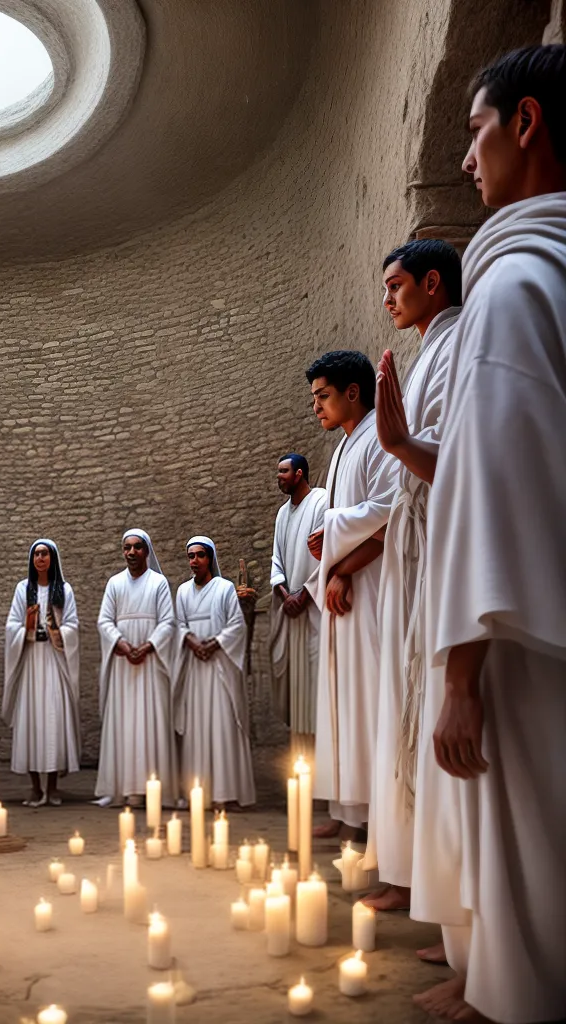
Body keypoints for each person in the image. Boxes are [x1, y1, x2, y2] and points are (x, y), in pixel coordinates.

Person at [411, 45, 566, 1024]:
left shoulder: (509, 290)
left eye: (473, 130)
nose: (466, 159)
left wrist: (460, 676)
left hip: (519, 629)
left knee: (530, 822)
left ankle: (516, 995)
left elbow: (493, 485)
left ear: (525, 123)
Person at [359, 239, 462, 919]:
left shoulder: (456, 348)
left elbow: (461, 460)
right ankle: (409, 874)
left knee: (428, 707)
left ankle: (441, 891)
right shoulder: (431, 352)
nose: (389, 299)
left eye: (397, 286)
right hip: (410, 548)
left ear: (432, 282)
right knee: (406, 704)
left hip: (439, 548)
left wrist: (398, 446)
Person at [305, 351, 395, 837]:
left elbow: (389, 515)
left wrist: (340, 568)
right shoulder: (343, 448)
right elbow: (350, 520)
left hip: (371, 590)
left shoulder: (379, 439)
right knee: (344, 701)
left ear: (353, 392)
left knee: (368, 700)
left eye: (323, 396)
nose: (316, 406)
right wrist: (330, 548)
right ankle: (350, 811)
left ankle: (375, 819)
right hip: (346, 591)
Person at [95, 529, 177, 806]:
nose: (131, 553)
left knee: (150, 722)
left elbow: (168, 621)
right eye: (127, 548)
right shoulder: (114, 583)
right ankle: (127, 788)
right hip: (123, 664)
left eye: (137, 547)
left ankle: (151, 787)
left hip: (150, 663)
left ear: (146, 551)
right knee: (126, 723)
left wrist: (148, 646)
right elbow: (104, 621)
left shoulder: (159, 583)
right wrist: (122, 644)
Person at [174, 536, 255, 808]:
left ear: (209, 558)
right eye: (190, 556)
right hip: (195, 669)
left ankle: (224, 793)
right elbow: (179, 625)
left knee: (221, 727)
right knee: (197, 728)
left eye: (199, 555)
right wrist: (194, 643)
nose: (194, 561)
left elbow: (236, 625)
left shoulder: (225, 588)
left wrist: (215, 643)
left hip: (219, 666)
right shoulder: (183, 591)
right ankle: (199, 792)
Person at [2, 539, 80, 807]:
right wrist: (27, 628)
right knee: (32, 720)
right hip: (32, 662)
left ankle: (53, 787)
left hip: (54, 661)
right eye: (36, 554)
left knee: (53, 719)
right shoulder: (23, 589)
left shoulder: (64, 590)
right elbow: (11, 625)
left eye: (45, 553)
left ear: (53, 558)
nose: (40, 558)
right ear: (31, 560)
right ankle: (35, 787)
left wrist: (58, 631)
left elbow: (73, 625)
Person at [269, 453, 327, 758]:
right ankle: (303, 768)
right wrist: (284, 593)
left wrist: (304, 596)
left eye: (283, 472)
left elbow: (329, 551)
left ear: (299, 473)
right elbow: (276, 559)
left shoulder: (321, 501)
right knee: (298, 689)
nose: (278, 477)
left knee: (317, 688)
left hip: (315, 610)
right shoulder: (282, 514)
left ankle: (325, 766)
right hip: (291, 611)